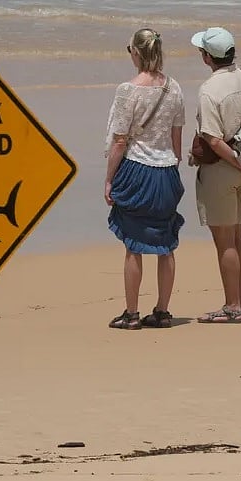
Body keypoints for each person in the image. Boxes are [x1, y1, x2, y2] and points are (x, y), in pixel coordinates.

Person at [104, 28, 187, 330]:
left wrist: (109, 179)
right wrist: (173, 164)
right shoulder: (174, 88)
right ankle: (163, 311)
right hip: (166, 171)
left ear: (136, 53)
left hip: (137, 170)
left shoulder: (128, 90)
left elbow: (119, 141)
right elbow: (177, 138)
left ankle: (132, 313)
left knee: (133, 244)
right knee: (166, 244)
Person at [189, 27, 241, 324]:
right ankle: (240, 302)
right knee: (237, 236)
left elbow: (213, 139)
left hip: (223, 171)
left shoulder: (209, 90)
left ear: (207, 57)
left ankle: (233, 306)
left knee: (224, 241)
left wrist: (239, 163)